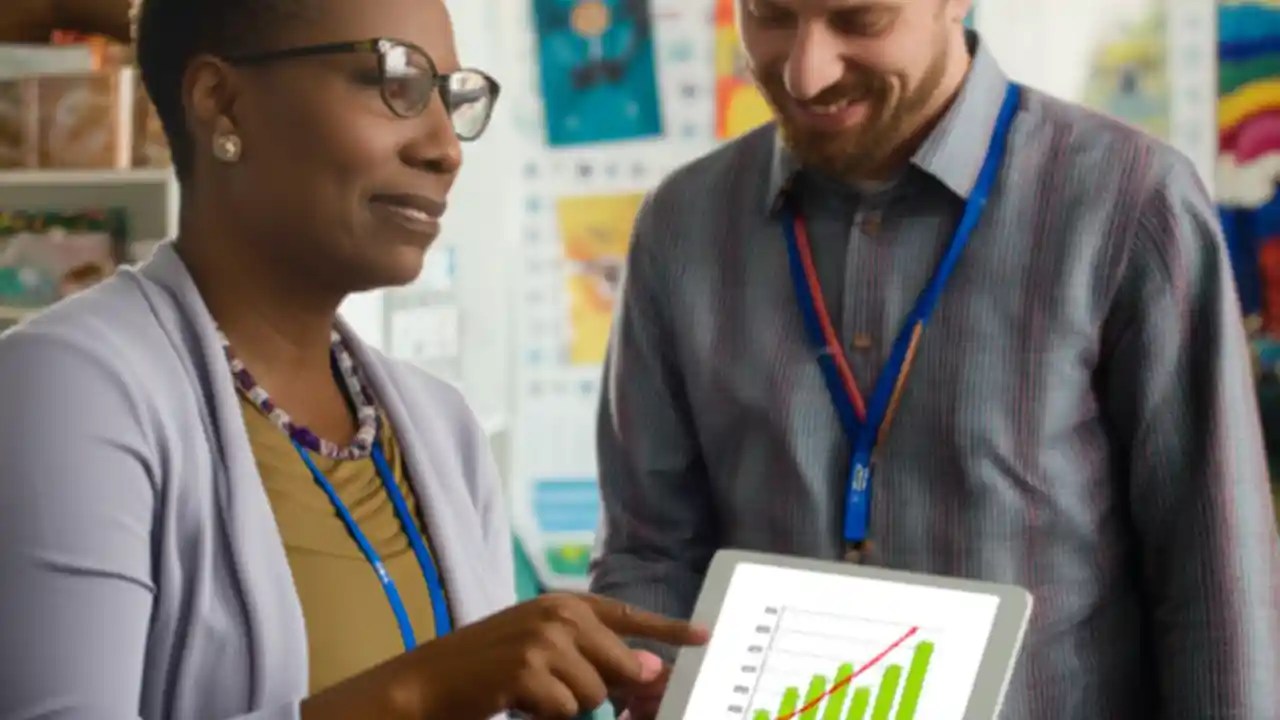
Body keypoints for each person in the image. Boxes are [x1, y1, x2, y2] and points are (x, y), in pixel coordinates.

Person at [0, 0, 706, 719]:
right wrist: (420, 690)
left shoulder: (440, 426)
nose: (445, 147)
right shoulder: (66, 389)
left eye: (450, 96)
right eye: (392, 80)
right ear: (221, 101)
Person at [590, 0, 1280, 717]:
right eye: (770, 16)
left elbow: (1214, 584)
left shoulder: (1132, 204)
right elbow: (649, 549)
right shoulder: (682, 225)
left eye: (859, 20)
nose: (805, 69)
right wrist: (651, 674)